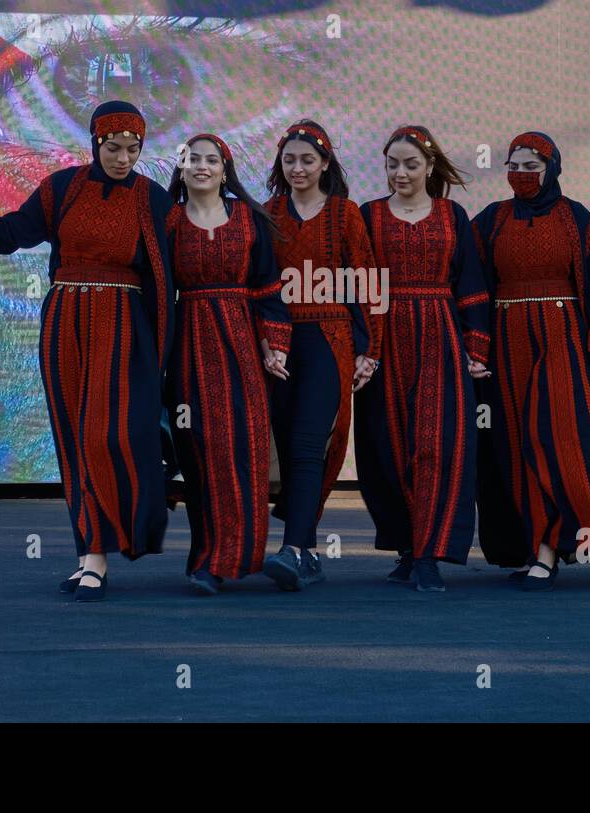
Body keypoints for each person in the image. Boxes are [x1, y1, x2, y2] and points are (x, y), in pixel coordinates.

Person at [0, 100, 173, 601]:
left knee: (101, 437)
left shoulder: (152, 199)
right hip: (65, 321)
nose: (123, 157)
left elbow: (168, 272)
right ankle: (91, 556)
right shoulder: (63, 188)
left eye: (133, 149)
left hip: (123, 328)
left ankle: (108, 546)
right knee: (72, 438)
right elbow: (7, 237)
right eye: (113, 147)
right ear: (94, 142)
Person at [472, 131, 590, 592]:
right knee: (513, 443)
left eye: (531, 166)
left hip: (562, 339)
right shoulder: (491, 220)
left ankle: (557, 544)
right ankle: (536, 548)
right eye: (513, 166)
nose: (521, 175)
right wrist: (475, 346)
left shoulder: (577, 219)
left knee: (555, 438)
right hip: (507, 342)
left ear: (551, 168)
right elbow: (473, 283)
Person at [354, 125, 490, 593]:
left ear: (430, 167)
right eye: (392, 164)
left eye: (410, 164)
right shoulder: (367, 215)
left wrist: (476, 348)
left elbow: (471, 286)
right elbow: (358, 286)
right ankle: (408, 546)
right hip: (384, 338)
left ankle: (431, 554)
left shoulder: (453, 216)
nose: (400, 173)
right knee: (388, 447)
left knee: (437, 444)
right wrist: (363, 349)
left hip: (440, 336)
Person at [164, 134, 292, 595]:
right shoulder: (169, 221)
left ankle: (236, 554)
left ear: (225, 168)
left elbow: (266, 288)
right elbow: (159, 289)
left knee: (243, 450)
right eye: (192, 159)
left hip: (241, 346)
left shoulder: (249, 219)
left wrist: (275, 345)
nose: (201, 166)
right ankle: (205, 560)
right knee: (200, 453)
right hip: (189, 348)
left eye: (210, 160)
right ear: (181, 168)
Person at [262, 120, 382, 591]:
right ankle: (306, 552)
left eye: (307, 160)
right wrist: (268, 340)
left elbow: (367, 285)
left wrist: (369, 350)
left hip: (330, 338)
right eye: (289, 160)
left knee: (313, 441)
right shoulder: (267, 213)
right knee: (290, 446)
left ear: (325, 163)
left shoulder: (344, 214)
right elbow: (261, 284)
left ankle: (292, 550)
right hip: (282, 341)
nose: (297, 168)